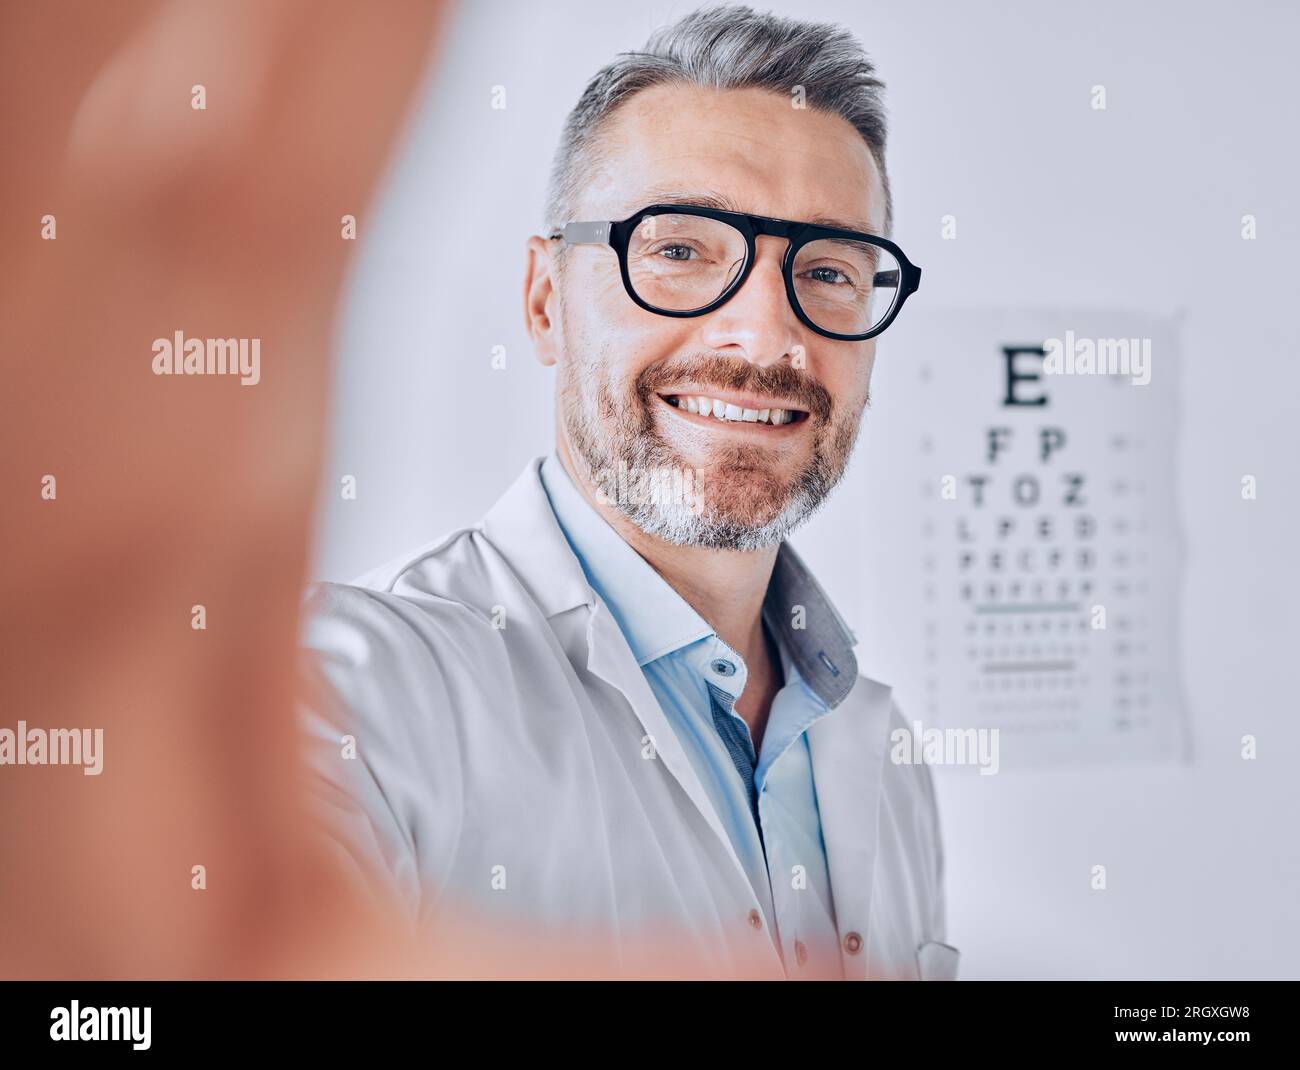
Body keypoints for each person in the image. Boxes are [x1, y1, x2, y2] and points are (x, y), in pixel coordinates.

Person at [301, 4, 957, 981]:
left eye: (825, 270)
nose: (763, 336)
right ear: (543, 300)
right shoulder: (357, 691)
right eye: (681, 249)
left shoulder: (880, 744)